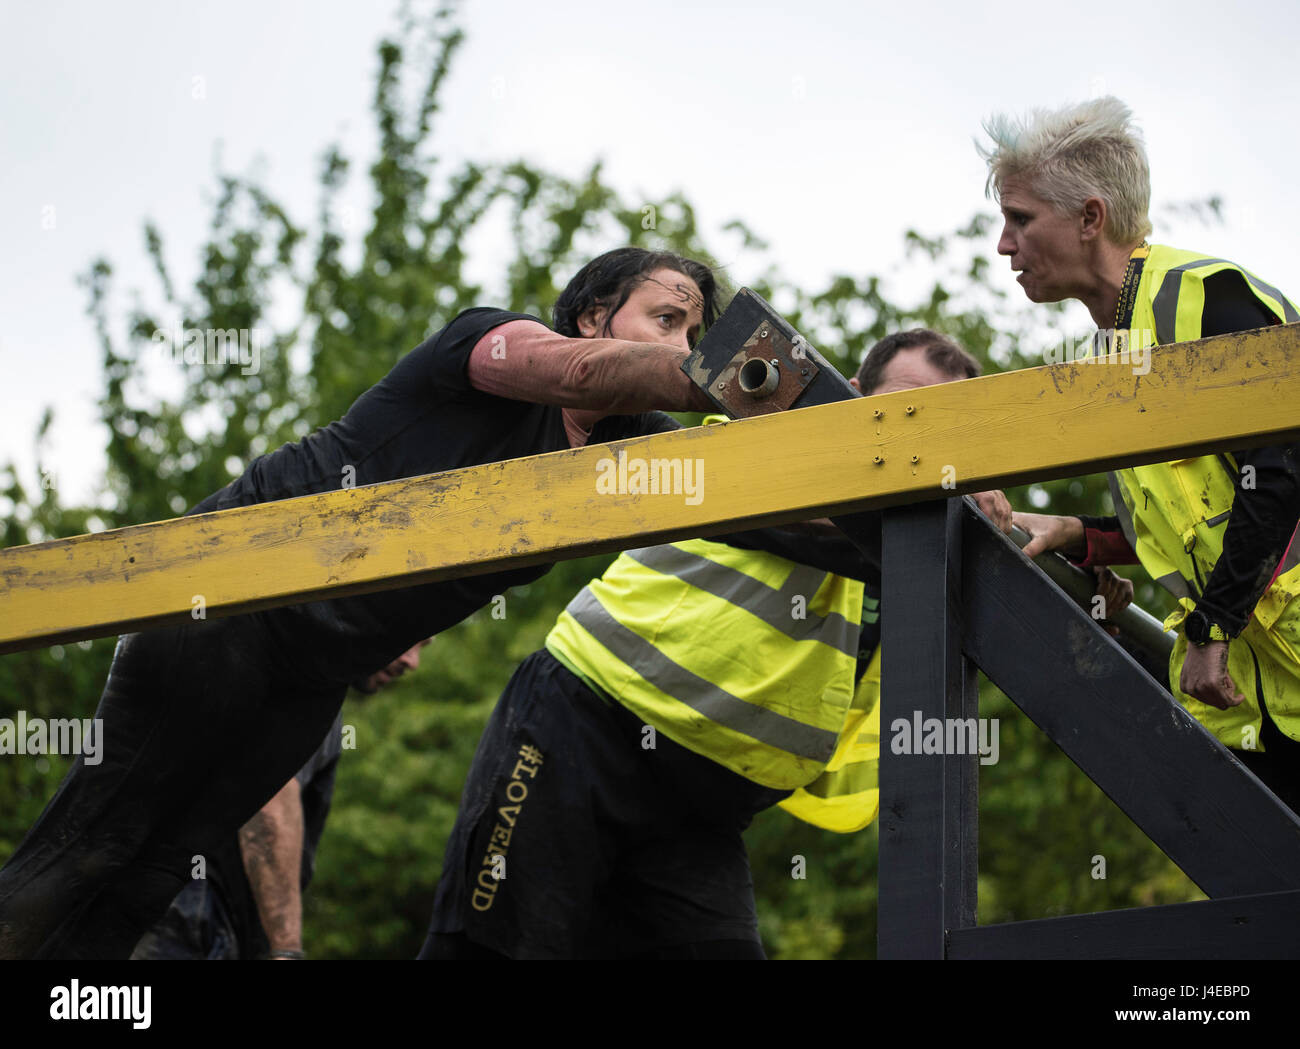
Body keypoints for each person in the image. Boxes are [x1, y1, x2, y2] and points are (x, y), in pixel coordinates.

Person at [0, 246, 729, 959]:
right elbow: (580, 370)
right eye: (667, 320)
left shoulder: (629, 452)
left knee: (154, 876)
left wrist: (832, 434)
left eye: (695, 335)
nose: (684, 344)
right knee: (94, 842)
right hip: (228, 592)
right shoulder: (489, 342)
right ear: (593, 314)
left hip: (312, 676)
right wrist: (739, 373)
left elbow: (742, 491)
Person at [419, 330, 1015, 959]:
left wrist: (1080, 544)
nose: (914, 426)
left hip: (707, 806)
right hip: (584, 730)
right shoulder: (763, 450)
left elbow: (1001, 557)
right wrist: (950, 526)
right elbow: (815, 527)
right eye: (901, 402)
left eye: (939, 420)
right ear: (851, 396)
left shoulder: (930, 526)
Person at [979, 97, 1300, 811]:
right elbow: (1199, 513)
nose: (1004, 244)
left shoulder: (1208, 299)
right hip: (1263, 695)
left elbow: (1278, 477)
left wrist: (1212, 627)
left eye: (1021, 219)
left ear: (1090, 219)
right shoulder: (1114, 348)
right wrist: (1078, 535)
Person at [129, 642, 428, 960]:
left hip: (171, 907)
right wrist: (286, 951)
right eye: (414, 639)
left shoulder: (261, 664)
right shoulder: (311, 687)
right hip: (192, 917)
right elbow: (269, 800)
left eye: (426, 646)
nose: (413, 662)